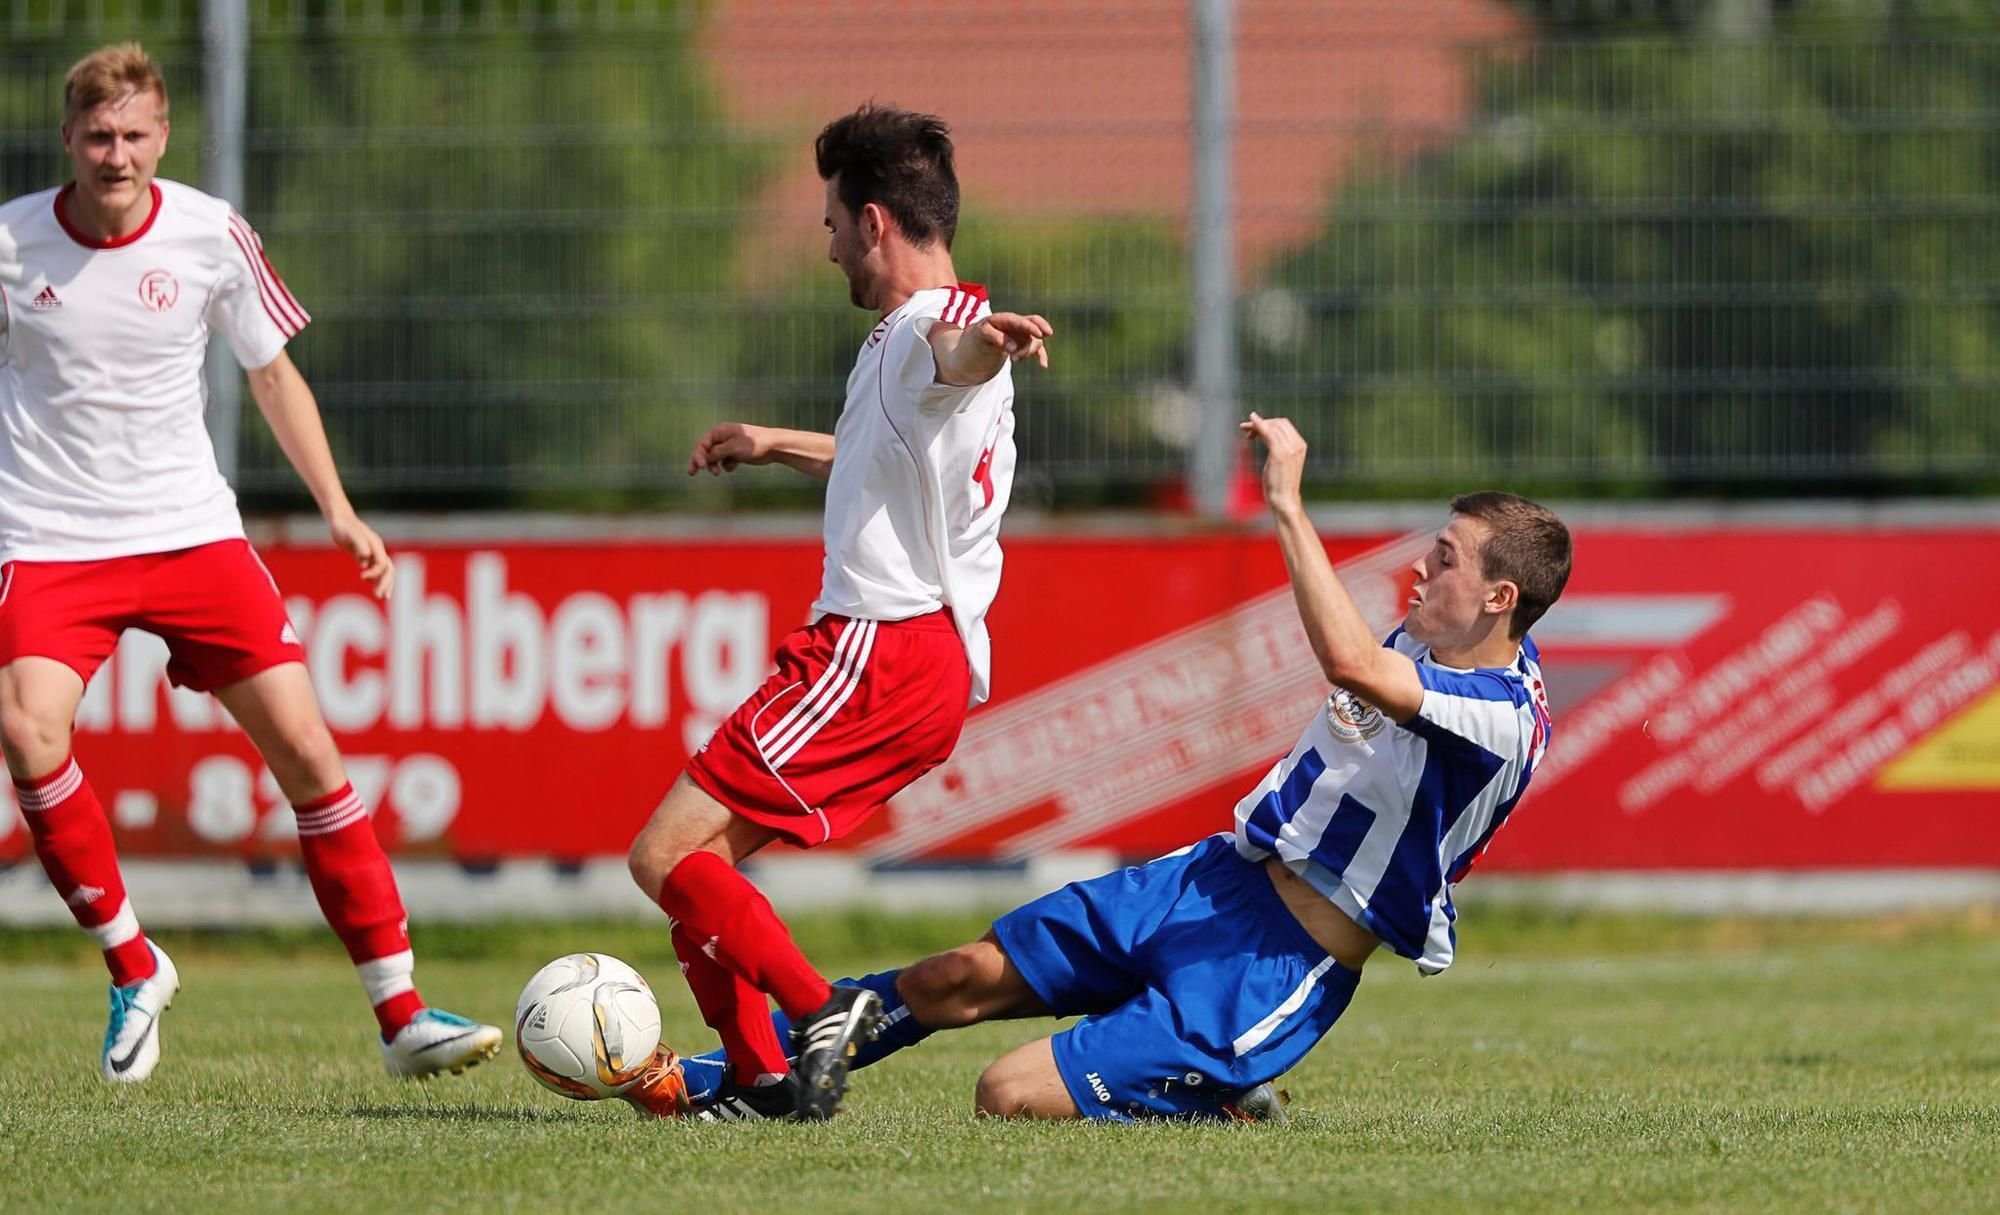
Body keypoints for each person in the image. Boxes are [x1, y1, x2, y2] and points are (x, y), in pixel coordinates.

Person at [648, 413, 1572, 1122]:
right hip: (1211, 881)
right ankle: (742, 1075)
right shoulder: (1433, 632)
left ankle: (1210, 1090)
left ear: (1500, 597)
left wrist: (1286, 503)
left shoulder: (1502, 718)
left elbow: (1350, 667)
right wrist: (787, 445)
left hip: (1277, 963)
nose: (1420, 568)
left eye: (1443, 558)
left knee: (1004, 1093)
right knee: (950, 977)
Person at [0, 43, 501, 1083]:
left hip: (190, 533)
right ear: (68, 139)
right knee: (24, 727)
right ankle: (133, 965)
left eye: (135, 135)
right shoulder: (10, 245)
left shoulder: (210, 233)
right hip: (51, 537)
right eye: (99, 136)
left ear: (163, 137)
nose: (117, 155)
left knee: (310, 752)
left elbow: (273, 376)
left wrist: (338, 509)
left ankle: (402, 1014)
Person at [621, 103, 1052, 1123]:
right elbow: (893, 440)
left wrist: (986, 339)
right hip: (922, 662)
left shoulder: (926, 329)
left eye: (826, 225)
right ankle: (766, 1081)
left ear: (872, 223)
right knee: (703, 875)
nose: (822, 250)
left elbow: (957, 348)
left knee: (662, 857)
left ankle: (817, 1015)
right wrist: (775, 442)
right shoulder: (904, 349)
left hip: (876, 647)